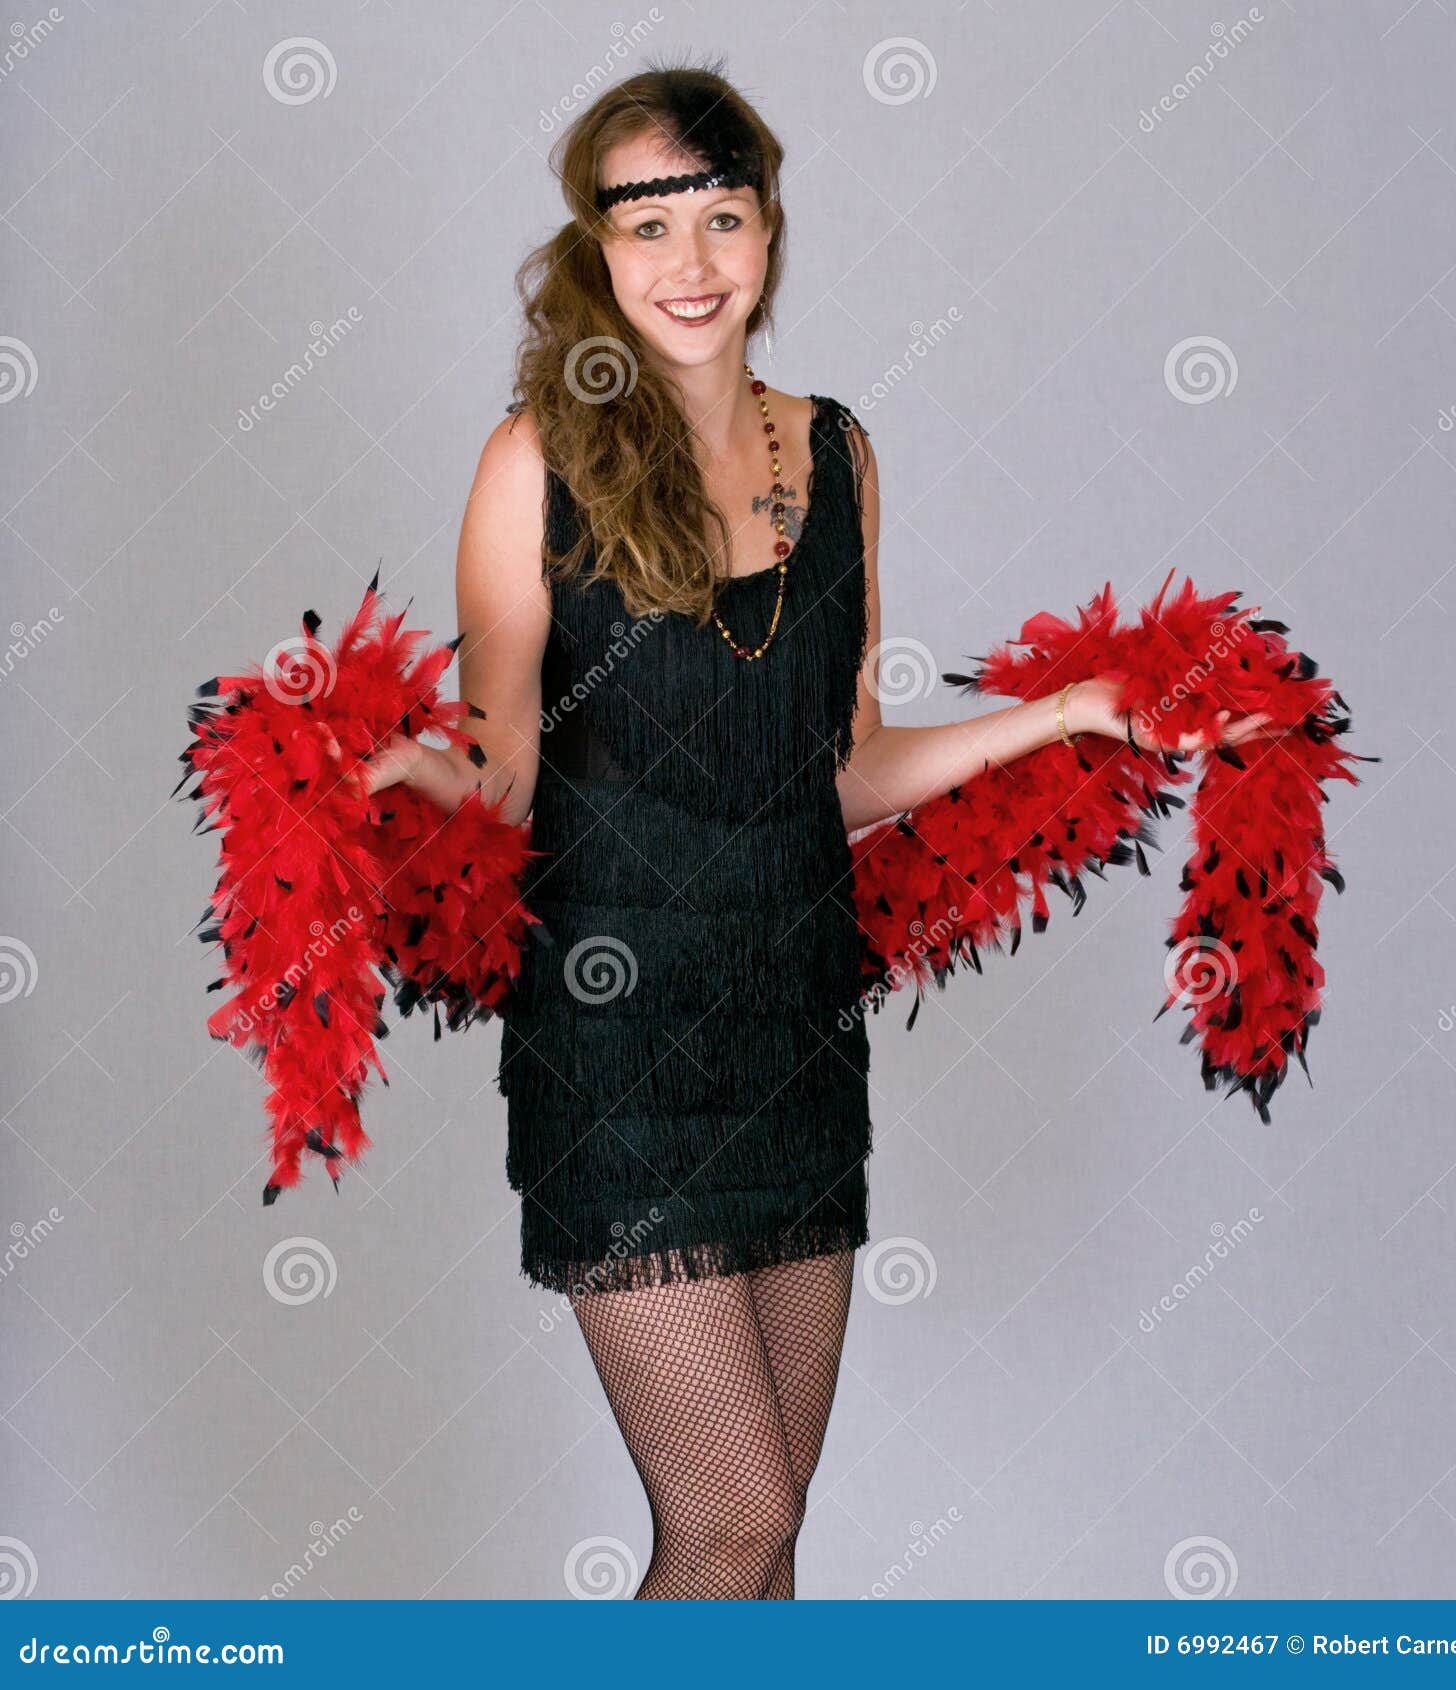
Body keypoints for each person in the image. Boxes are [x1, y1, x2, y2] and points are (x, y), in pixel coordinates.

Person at [348, 58, 1272, 1600]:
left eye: (721, 218)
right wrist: (380, 760)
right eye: (647, 228)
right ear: (595, 247)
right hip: (616, 1047)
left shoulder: (833, 453)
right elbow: (501, 761)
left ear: (768, 231)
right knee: (731, 1526)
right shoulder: (535, 461)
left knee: (774, 1554)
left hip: (791, 1026)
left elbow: (835, 771)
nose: (690, 265)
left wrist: (1064, 714)